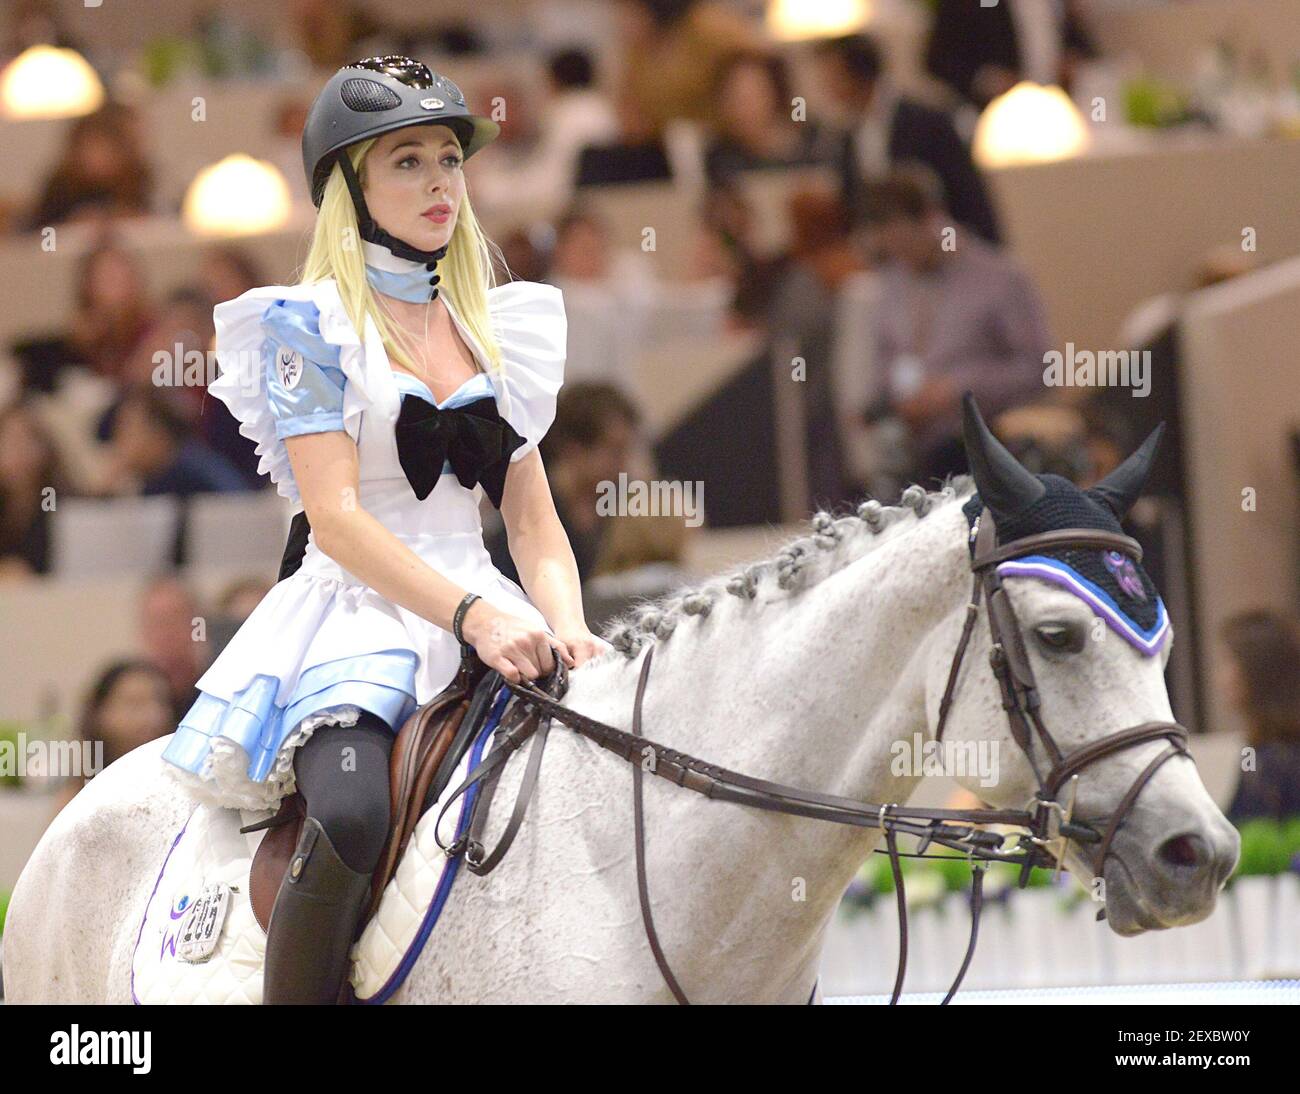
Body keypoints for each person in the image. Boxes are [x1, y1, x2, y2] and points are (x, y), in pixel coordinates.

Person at [158, 55, 612, 1004]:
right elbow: (335, 518)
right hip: (358, 611)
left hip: (487, 604)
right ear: (349, 189)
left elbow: (534, 526)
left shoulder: (501, 328)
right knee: (357, 813)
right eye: (406, 161)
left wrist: (566, 622)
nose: (439, 182)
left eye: (449, 158)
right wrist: (471, 620)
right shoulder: (303, 327)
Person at [861, 168, 1049, 486]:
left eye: (906, 244)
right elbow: (888, 359)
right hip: (914, 456)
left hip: (990, 451)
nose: (902, 258)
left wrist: (958, 389)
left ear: (932, 219)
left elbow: (1041, 369)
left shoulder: (1001, 278)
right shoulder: (894, 280)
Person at [812, 32, 1001, 244]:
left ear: (857, 73)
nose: (825, 87)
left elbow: (967, 195)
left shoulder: (928, 123)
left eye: (831, 77)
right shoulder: (846, 137)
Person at [1219, 611, 1300, 823]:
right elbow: (1241, 815)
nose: (1223, 676)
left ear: (1257, 670)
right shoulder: (1251, 749)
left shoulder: (1285, 755)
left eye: (1230, 661)